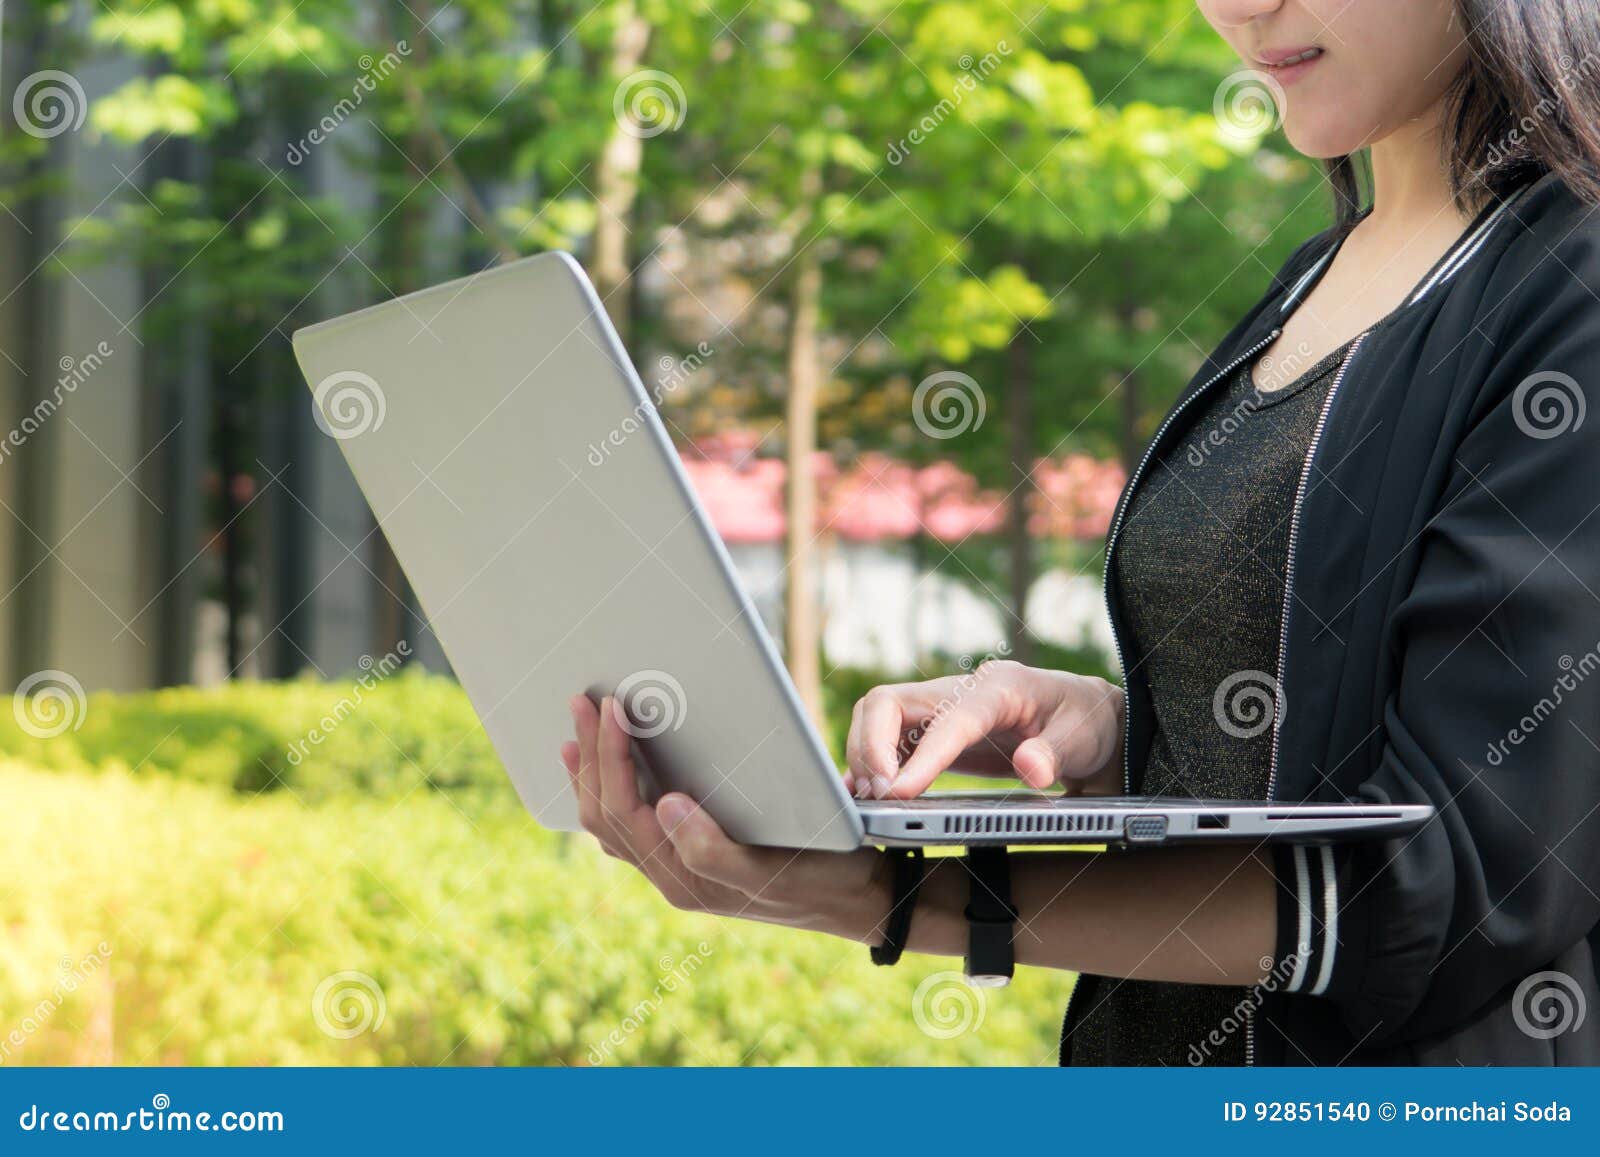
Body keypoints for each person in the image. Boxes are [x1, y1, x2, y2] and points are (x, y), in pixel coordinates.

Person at [561, 0, 1600, 1065]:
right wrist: (1125, 735)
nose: (1241, 7)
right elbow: (1324, 734)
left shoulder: (1573, 282)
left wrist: (894, 890)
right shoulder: (1310, 278)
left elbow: (1465, 880)